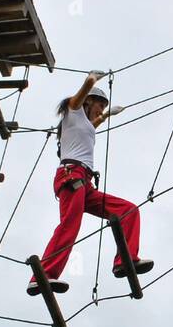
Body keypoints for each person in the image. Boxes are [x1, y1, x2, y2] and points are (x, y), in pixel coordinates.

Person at [28, 70, 155, 296]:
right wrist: (91, 80)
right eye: (99, 106)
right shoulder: (73, 112)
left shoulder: (84, 125)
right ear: (88, 102)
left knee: (128, 210)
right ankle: (42, 276)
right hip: (72, 176)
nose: (101, 110)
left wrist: (108, 116)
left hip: (86, 184)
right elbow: (80, 95)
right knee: (70, 226)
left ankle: (124, 261)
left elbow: (92, 126)